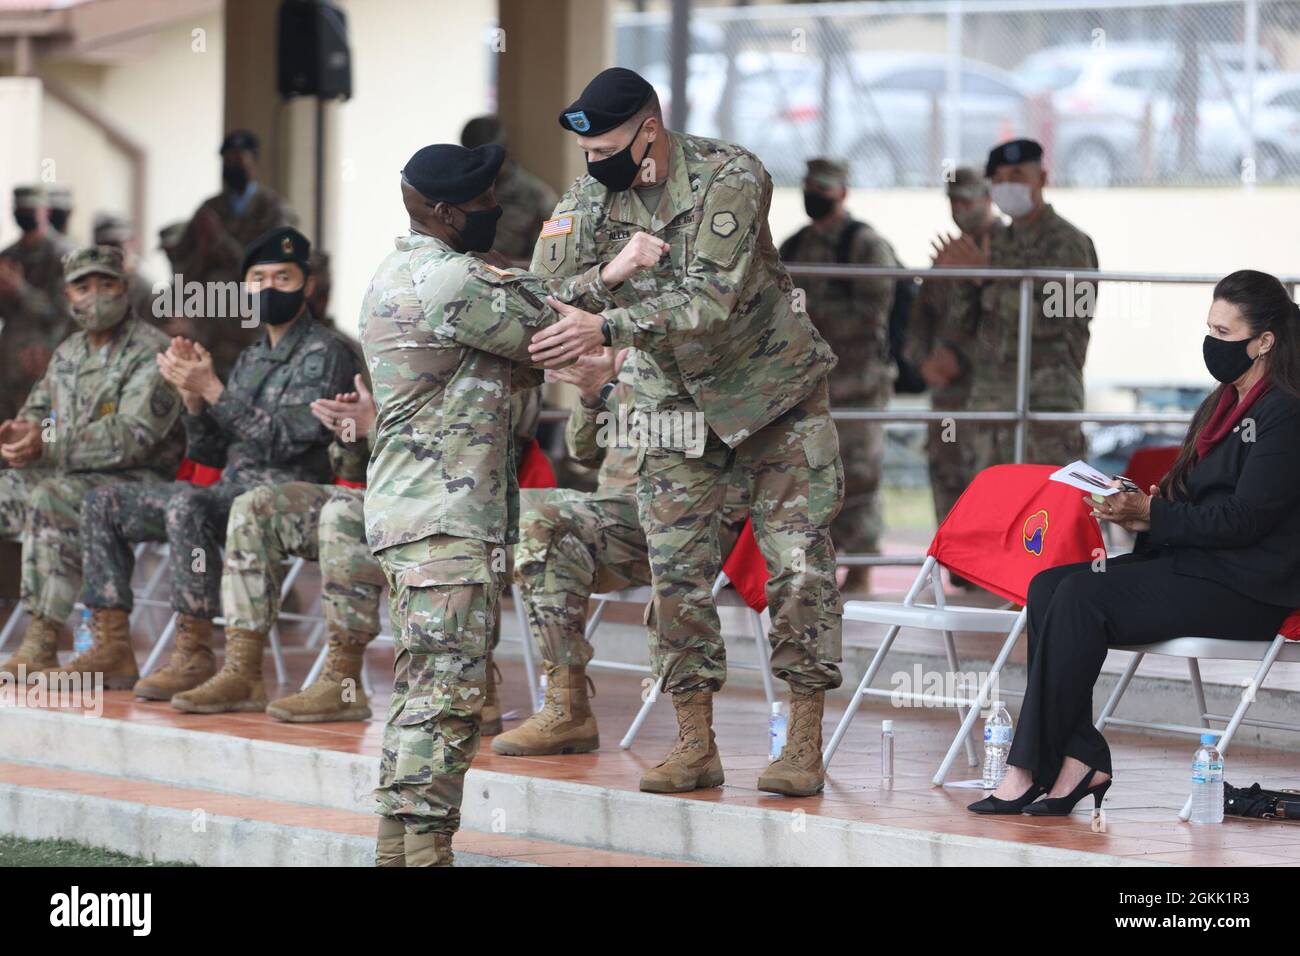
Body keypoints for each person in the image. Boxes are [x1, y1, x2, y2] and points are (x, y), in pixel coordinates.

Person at [531, 67, 844, 798]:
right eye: (586, 152)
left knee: (798, 568)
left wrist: (607, 321)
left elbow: (710, 299)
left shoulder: (730, 175)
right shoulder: (592, 194)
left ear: (649, 130)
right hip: (675, 408)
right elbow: (545, 291)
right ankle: (695, 742)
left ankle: (802, 739)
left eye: (607, 146)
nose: (592, 164)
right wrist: (608, 274)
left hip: (775, 400)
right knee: (675, 572)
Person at [971, 270, 1300, 816]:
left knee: (1082, 597)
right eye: (1209, 330)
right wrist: (1135, 501)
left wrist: (1157, 516)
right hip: (1196, 567)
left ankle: (1027, 767)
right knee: (1051, 584)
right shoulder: (1223, 403)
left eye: (1224, 333)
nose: (1212, 344)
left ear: (1264, 341)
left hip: (1247, 587)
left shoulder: (1284, 412)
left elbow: (1245, 520)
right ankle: (1079, 757)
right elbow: (1193, 495)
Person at [360, 142, 606, 866]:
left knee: (419, 691)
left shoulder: (396, 269)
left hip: (412, 519)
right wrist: (614, 271)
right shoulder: (451, 280)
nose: (493, 209)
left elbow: (511, 353)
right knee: (450, 697)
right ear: (441, 212)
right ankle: (427, 853)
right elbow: (554, 325)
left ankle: (394, 851)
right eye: (480, 200)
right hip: (445, 524)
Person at [53, 227, 355, 695]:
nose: (269, 287)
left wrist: (214, 388)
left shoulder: (327, 352)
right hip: (229, 493)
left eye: (284, 277)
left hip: (287, 497)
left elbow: (286, 442)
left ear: (307, 286)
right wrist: (193, 400)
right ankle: (112, 647)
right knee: (103, 502)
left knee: (188, 504)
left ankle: (194, 652)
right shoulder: (254, 355)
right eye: (258, 278)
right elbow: (213, 451)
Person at [0, 246, 183, 676]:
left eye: (107, 284)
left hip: (138, 484)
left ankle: (42, 639)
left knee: (52, 496)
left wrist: (45, 445)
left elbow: (132, 438)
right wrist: (21, 435)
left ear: (125, 289)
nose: (96, 295)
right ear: (69, 296)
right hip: (72, 475)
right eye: (84, 286)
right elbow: (39, 412)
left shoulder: (151, 352)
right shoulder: (68, 353)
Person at [940, 139, 1099, 471]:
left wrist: (989, 280)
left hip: (1045, 410)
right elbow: (962, 327)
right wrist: (960, 280)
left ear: (1041, 178)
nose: (1006, 186)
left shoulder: (1071, 245)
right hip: (990, 408)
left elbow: (1057, 319)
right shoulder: (993, 241)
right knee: (992, 517)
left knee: (1045, 514)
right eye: (997, 180)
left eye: (1017, 175)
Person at [779, 157, 898, 594]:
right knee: (808, 472)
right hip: (807, 384)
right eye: (810, 186)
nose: (815, 195)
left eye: (823, 188)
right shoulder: (792, 247)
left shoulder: (864, 245)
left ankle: (863, 562)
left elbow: (874, 316)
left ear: (842, 192)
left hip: (859, 383)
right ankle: (814, 558)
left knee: (859, 472)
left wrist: (811, 316)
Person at [907, 167, 1003, 537]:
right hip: (947, 395)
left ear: (987, 198)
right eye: (953, 200)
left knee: (988, 480)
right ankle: (956, 565)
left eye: (968, 199)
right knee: (947, 477)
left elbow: (1007, 324)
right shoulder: (946, 256)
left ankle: (986, 571)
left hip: (987, 393)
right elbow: (920, 320)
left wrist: (963, 358)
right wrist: (923, 363)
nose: (960, 208)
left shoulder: (1006, 249)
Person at [167, 129, 299, 378]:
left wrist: (220, 241)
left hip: (254, 326)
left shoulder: (273, 210)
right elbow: (183, 263)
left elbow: (272, 268)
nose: (233, 165)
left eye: (239, 157)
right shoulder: (209, 209)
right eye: (227, 159)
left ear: (254, 161)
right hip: (211, 325)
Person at [0, 185, 72, 421]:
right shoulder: (9, 254)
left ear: (45, 211)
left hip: (45, 360)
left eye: (30, 209)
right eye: (20, 209)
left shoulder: (62, 254)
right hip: (9, 364)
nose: (25, 214)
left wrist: (20, 288)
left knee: (42, 436)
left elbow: (60, 311)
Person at [459, 115, 559, 262]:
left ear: (505, 151)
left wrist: (509, 265)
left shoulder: (536, 194)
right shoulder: (458, 192)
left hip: (517, 277)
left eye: (491, 154)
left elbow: (554, 259)